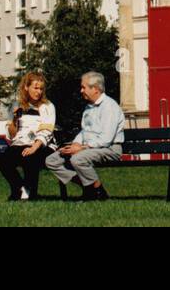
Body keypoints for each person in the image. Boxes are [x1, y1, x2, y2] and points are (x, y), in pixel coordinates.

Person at [45, 71, 124, 201]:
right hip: (90, 148)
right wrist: (76, 143)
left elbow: (106, 139)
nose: (81, 90)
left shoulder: (109, 107)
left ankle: (92, 192)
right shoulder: (89, 107)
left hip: (109, 149)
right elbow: (84, 131)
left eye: (84, 87)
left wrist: (82, 148)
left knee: (78, 159)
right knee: (52, 160)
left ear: (96, 89)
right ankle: (94, 188)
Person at [0, 72, 58, 202]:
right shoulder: (17, 105)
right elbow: (12, 134)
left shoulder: (47, 106)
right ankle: (18, 188)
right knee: (3, 160)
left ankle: (30, 193)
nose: (39, 92)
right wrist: (14, 120)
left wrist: (34, 147)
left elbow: (47, 131)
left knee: (30, 157)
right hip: (20, 143)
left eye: (41, 88)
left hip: (42, 144)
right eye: (35, 88)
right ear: (26, 87)